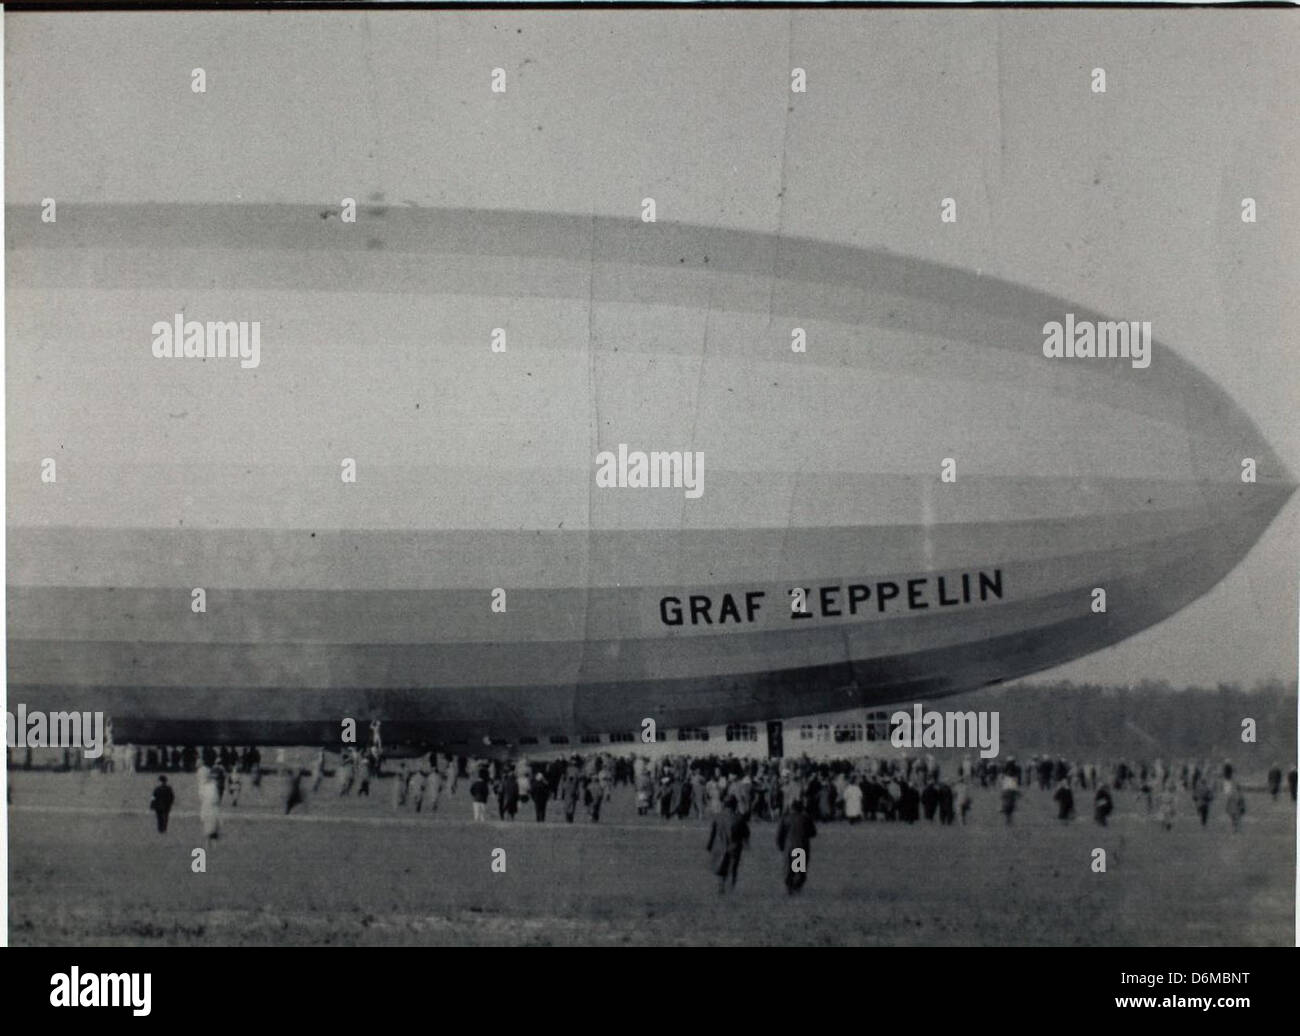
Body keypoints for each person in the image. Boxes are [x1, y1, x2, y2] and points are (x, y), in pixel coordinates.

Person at [707, 795, 750, 893]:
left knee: (720, 867)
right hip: (734, 847)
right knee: (732, 869)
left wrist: (709, 845)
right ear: (734, 805)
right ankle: (730, 890)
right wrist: (746, 843)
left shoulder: (717, 817)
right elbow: (746, 833)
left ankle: (721, 887)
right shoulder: (739, 818)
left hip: (719, 846)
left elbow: (712, 833)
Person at [776, 798, 817, 894]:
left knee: (788, 869)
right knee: (799, 870)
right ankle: (796, 888)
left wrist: (781, 846)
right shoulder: (806, 818)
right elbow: (813, 833)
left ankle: (789, 888)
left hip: (788, 847)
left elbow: (779, 835)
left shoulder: (785, 818)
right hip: (801, 846)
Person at [198, 769, 221, 846]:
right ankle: (210, 843)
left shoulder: (205, 787)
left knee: (210, 827)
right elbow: (216, 798)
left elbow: (201, 797)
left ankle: (209, 843)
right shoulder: (212, 786)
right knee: (211, 827)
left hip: (208, 808)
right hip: (210, 808)